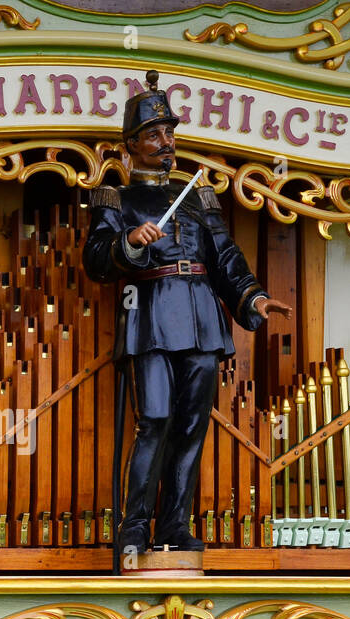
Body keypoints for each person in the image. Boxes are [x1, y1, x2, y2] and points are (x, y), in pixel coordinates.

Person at [82, 70, 292, 555]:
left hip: (200, 317)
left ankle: (174, 526)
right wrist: (128, 242)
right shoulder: (117, 198)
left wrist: (254, 297)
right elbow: (95, 262)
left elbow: (225, 257)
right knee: (153, 419)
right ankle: (135, 526)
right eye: (154, 135)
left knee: (192, 427)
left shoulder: (198, 196)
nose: (166, 142)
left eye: (170, 133)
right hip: (151, 316)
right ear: (131, 145)